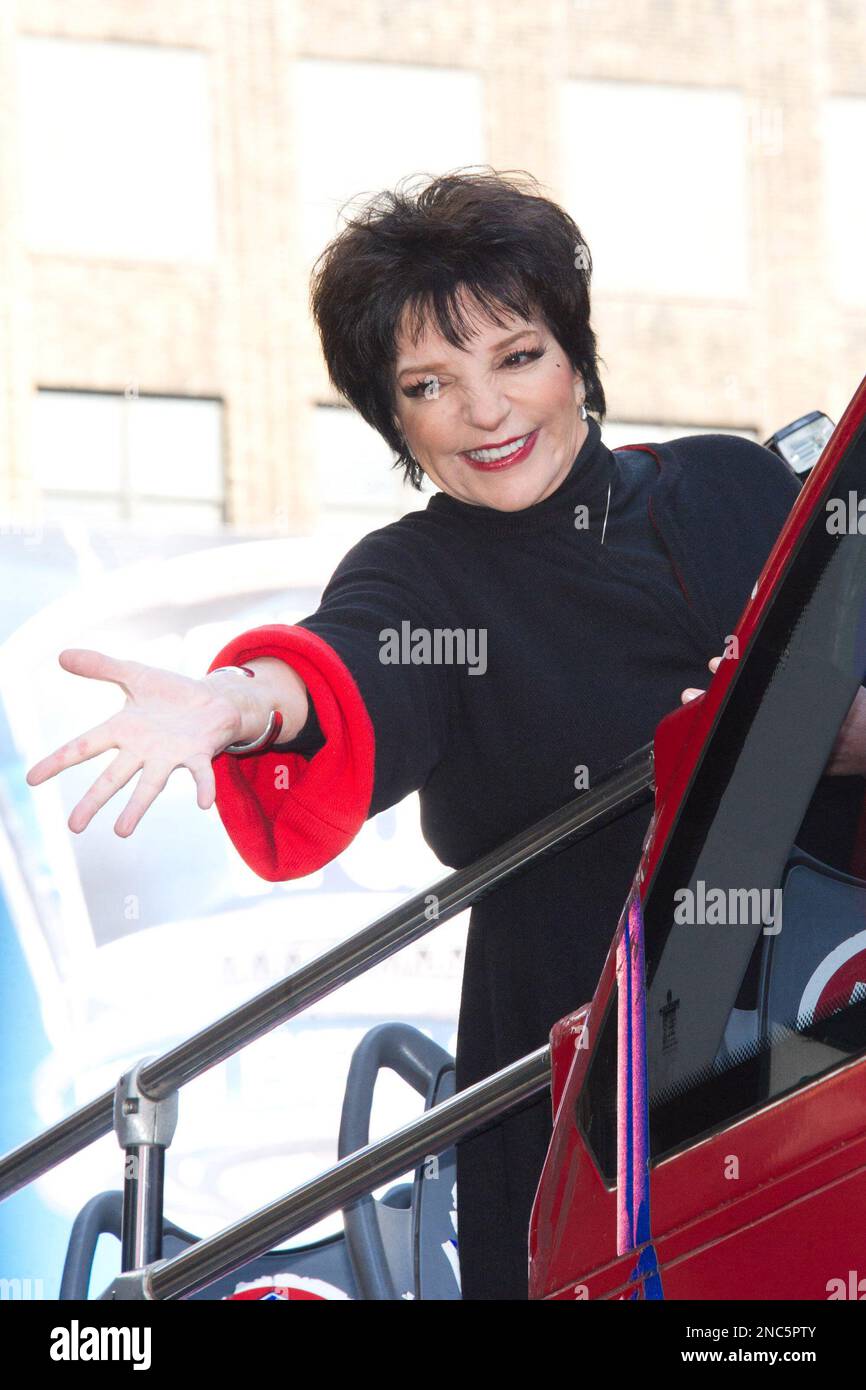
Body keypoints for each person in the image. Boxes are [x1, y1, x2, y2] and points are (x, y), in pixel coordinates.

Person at [25, 169, 866, 1300]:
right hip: (594, 1105)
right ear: (394, 417)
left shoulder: (723, 484)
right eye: (430, 382)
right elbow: (347, 671)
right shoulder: (418, 576)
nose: (484, 411)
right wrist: (240, 705)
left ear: (575, 358)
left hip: (823, 1028)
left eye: (516, 356)